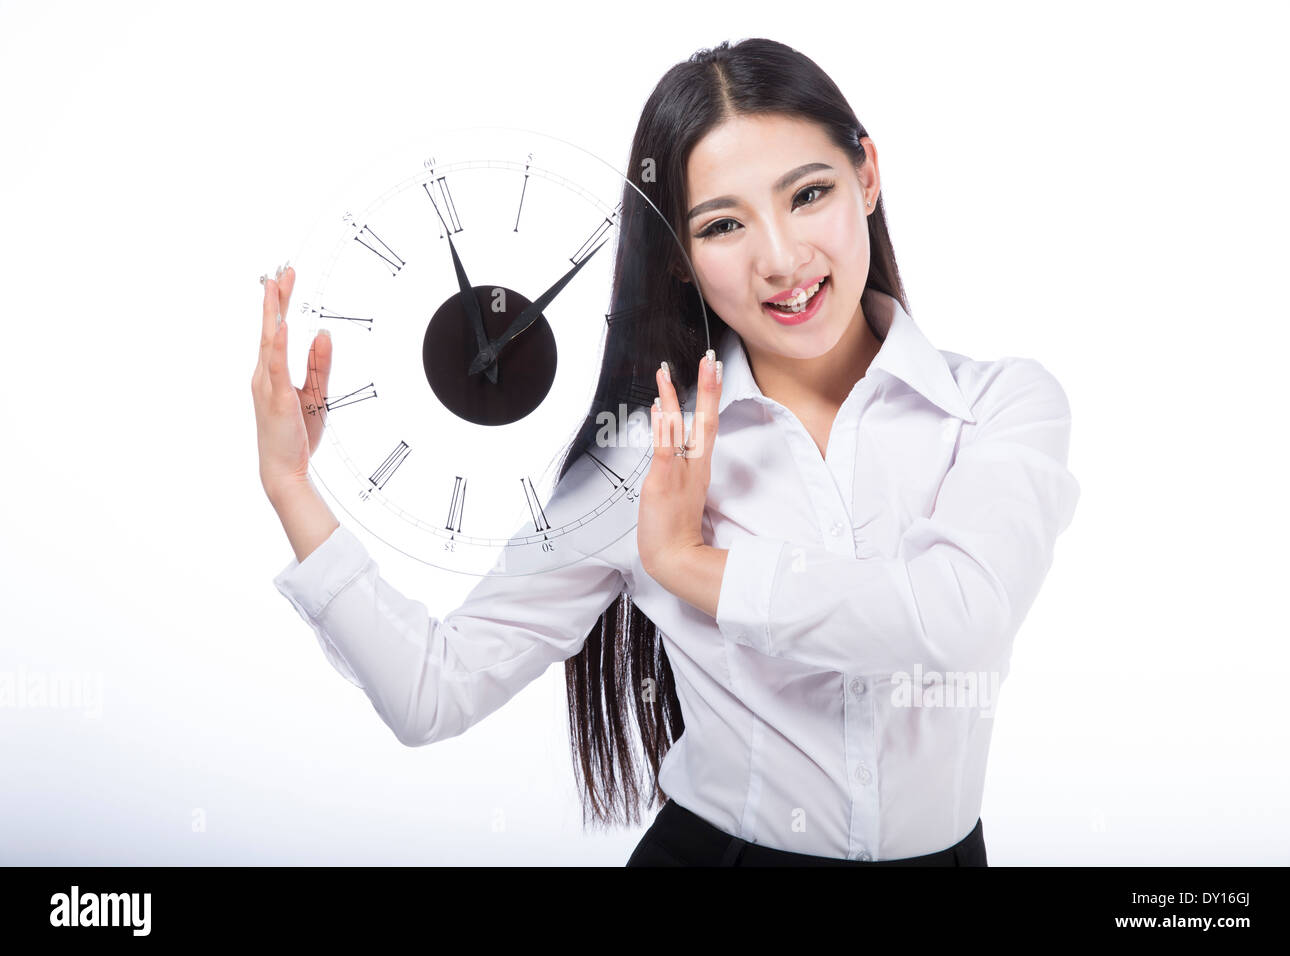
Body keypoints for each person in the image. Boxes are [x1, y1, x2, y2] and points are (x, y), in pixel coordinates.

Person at [250, 37, 1080, 866]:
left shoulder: (998, 408)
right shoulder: (644, 460)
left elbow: (958, 619)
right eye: (722, 224)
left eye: (810, 193)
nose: (782, 259)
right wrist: (292, 487)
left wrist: (689, 566)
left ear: (866, 174)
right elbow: (432, 691)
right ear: (680, 258)